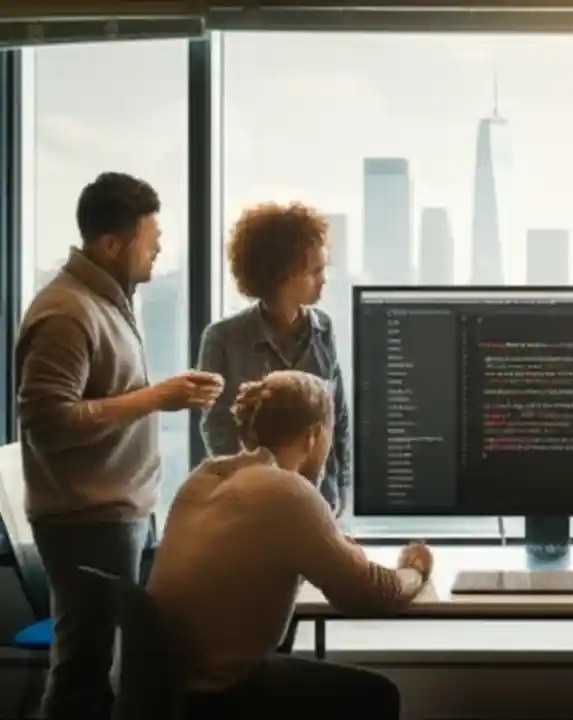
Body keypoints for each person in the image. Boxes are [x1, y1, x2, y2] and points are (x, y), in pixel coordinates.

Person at [15, 172, 224, 720]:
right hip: (86, 521)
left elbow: (106, 396)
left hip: (110, 517)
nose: (158, 251)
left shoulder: (104, 301)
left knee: (96, 671)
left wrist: (161, 395)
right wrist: (156, 398)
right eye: (149, 240)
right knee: (84, 676)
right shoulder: (67, 312)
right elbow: (47, 423)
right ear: (111, 244)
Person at [148, 370, 432, 720]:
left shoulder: (205, 477)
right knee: (377, 695)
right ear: (313, 436)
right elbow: (370, 593)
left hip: (164, 686)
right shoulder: (284, 491)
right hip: (219, 692)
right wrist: (415, 569)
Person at [199, 202, 350, 513]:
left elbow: (339, 417)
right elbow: (218, 430)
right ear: (285, 275)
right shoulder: (223, 339)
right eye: (315, 270)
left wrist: (339, 493)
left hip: (320, 502)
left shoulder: (323, 329)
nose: (323, 279)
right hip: (254, 505)